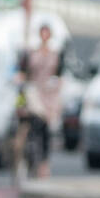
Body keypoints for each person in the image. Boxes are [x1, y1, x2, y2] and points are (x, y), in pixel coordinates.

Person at [18, 24, 63, 179]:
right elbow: (23, 74)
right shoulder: (31, 53)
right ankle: (31, 158)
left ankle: (43, 163)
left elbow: (59, 75)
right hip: (34, 93)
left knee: (45, 129)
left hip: (49, 95)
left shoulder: (55, 54)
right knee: (33, 124)